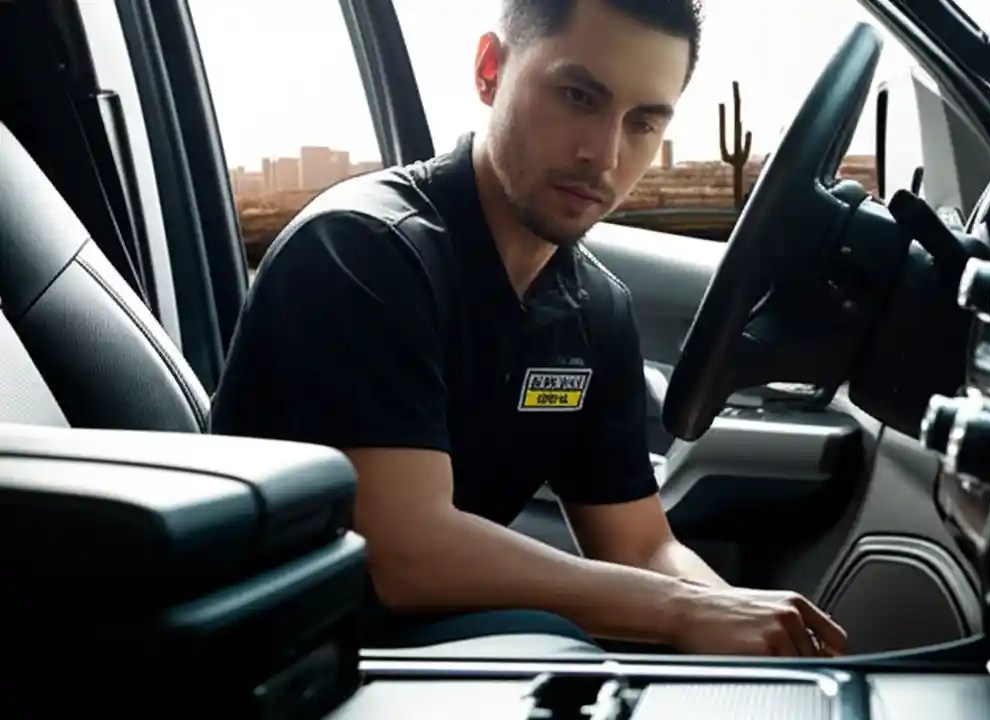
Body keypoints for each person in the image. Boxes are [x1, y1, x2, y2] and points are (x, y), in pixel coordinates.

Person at [210, 0, 847, 658]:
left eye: (643, 123)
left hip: (406, 652)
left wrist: (770, 636)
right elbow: (407, 555)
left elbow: (639, 545)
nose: (602, 154)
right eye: (578, 96)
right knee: (550, 643)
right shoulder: (362, 253)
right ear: (490, 70)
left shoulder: (596, 309)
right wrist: (682, 612)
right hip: (281, 654)